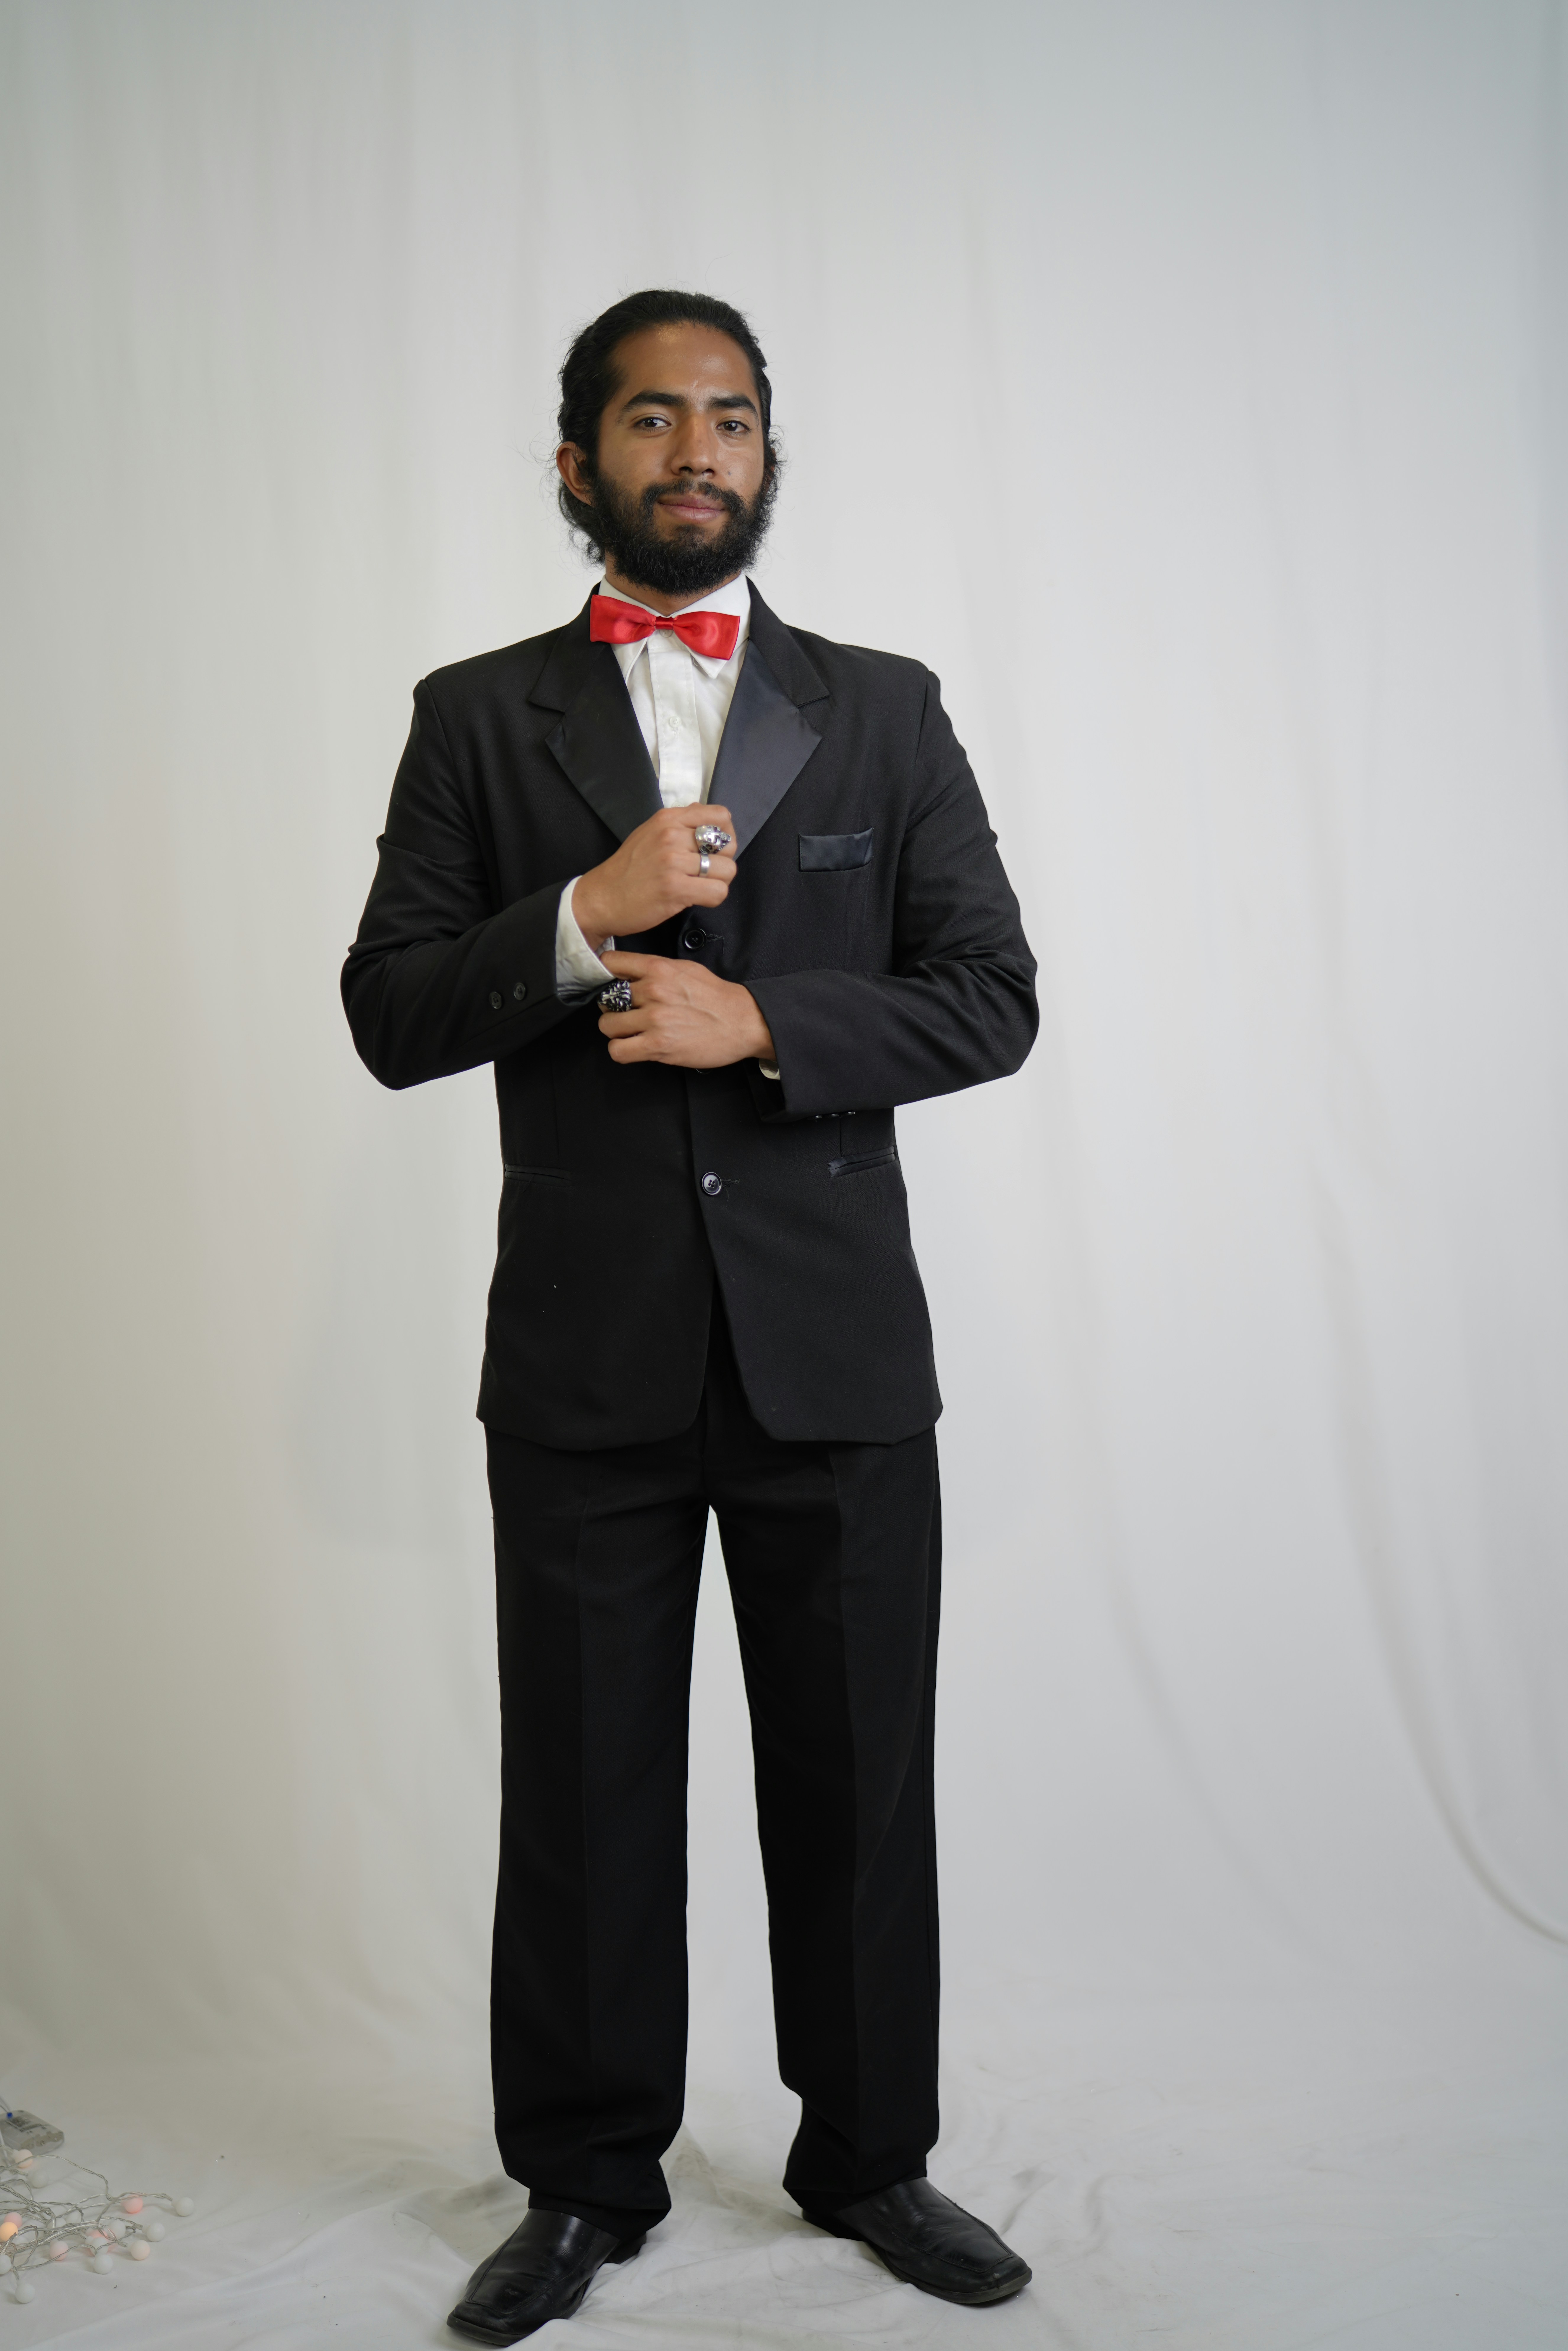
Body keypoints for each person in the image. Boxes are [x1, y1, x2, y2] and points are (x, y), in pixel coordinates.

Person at [342, 289, 1039, 2346]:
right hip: (585, 1356)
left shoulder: (883, 706)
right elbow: (389, 1014)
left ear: (765, 454)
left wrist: (768, 1019)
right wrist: (583, 921)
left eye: (730, 418)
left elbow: (990, 992)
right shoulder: (477, 714)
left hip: (832, 1357)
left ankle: (870, 2161)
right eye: (652, 419)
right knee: (581, 1791)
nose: (696, 452)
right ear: (579, 463)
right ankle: (578, 2186)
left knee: (856, 1784)